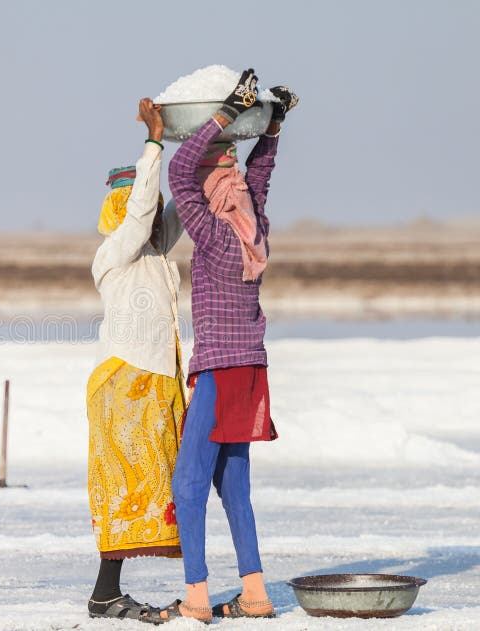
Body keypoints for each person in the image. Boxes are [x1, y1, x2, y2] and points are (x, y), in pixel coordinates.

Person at [163, 69, 299, 622]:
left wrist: (226, 113)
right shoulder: (252, 225)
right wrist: (273, 126)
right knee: (233, 484)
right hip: (251, 372)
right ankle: (255, 594)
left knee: (189, 482)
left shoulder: (216, 233)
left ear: (212, 192)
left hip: (219, 369)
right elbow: (258, 176)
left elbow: (178, 171)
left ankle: (196, 598)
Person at [85, 98, 186, 623]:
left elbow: (177, 207)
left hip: (154, 379)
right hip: (125, 381)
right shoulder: (115, 251)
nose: (148, 210)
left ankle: (108, 593)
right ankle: (105, 594)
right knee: (127, 486)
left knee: (159, 484)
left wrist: (210, 145)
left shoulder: (153, 252)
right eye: (139, 204)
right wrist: (154, 141)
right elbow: (145, 209)